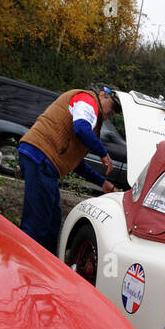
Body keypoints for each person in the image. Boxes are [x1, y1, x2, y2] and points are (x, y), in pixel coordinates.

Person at [18, 83, 118, 254]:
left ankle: (46, 263)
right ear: (102, 95)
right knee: (37, 224)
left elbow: (76, 162)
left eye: (117, 111)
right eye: (113, 106)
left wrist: (102, 183)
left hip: (43, 161)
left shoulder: (93, 118)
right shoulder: (88, 99)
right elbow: (80, 128)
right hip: (40, 157)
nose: (113, 112)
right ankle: (25, 264)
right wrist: (102, 153)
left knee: (52, 221)